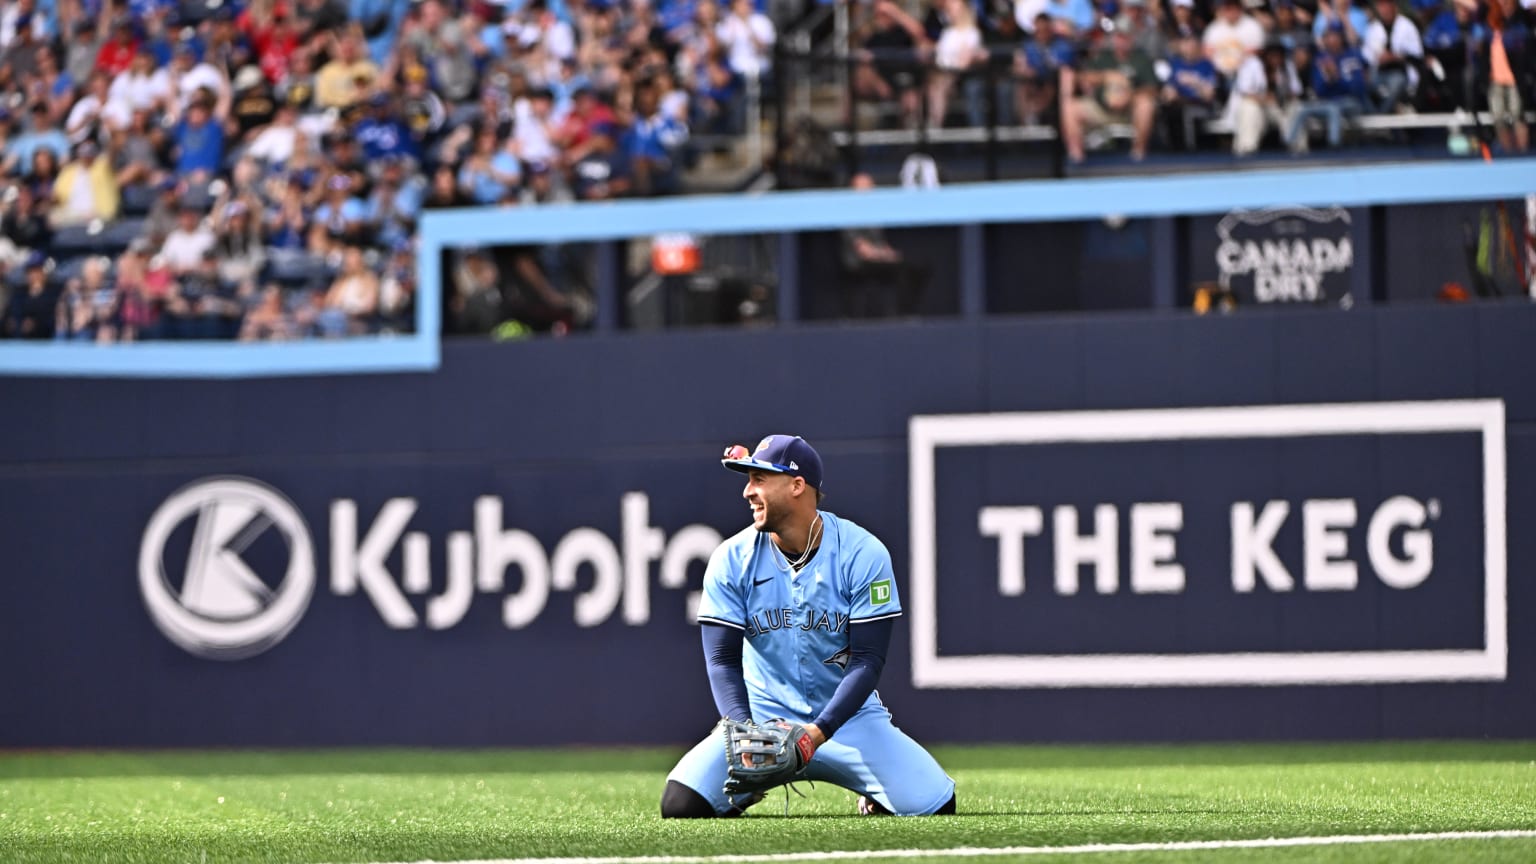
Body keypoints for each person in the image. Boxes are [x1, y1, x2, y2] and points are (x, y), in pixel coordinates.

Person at [661, 435, 956, 818]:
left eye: (760, 479)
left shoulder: (862, 553)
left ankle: (874, 792)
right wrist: (743, 731)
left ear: (797, 485)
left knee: (934, 805)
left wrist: (816, 734)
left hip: (848, 723)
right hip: (762, 720)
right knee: (681, 806)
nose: (748, 491)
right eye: (748, 480)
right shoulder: (731, 558)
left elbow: (867, 659)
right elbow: (722, 659)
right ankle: (751, 785)